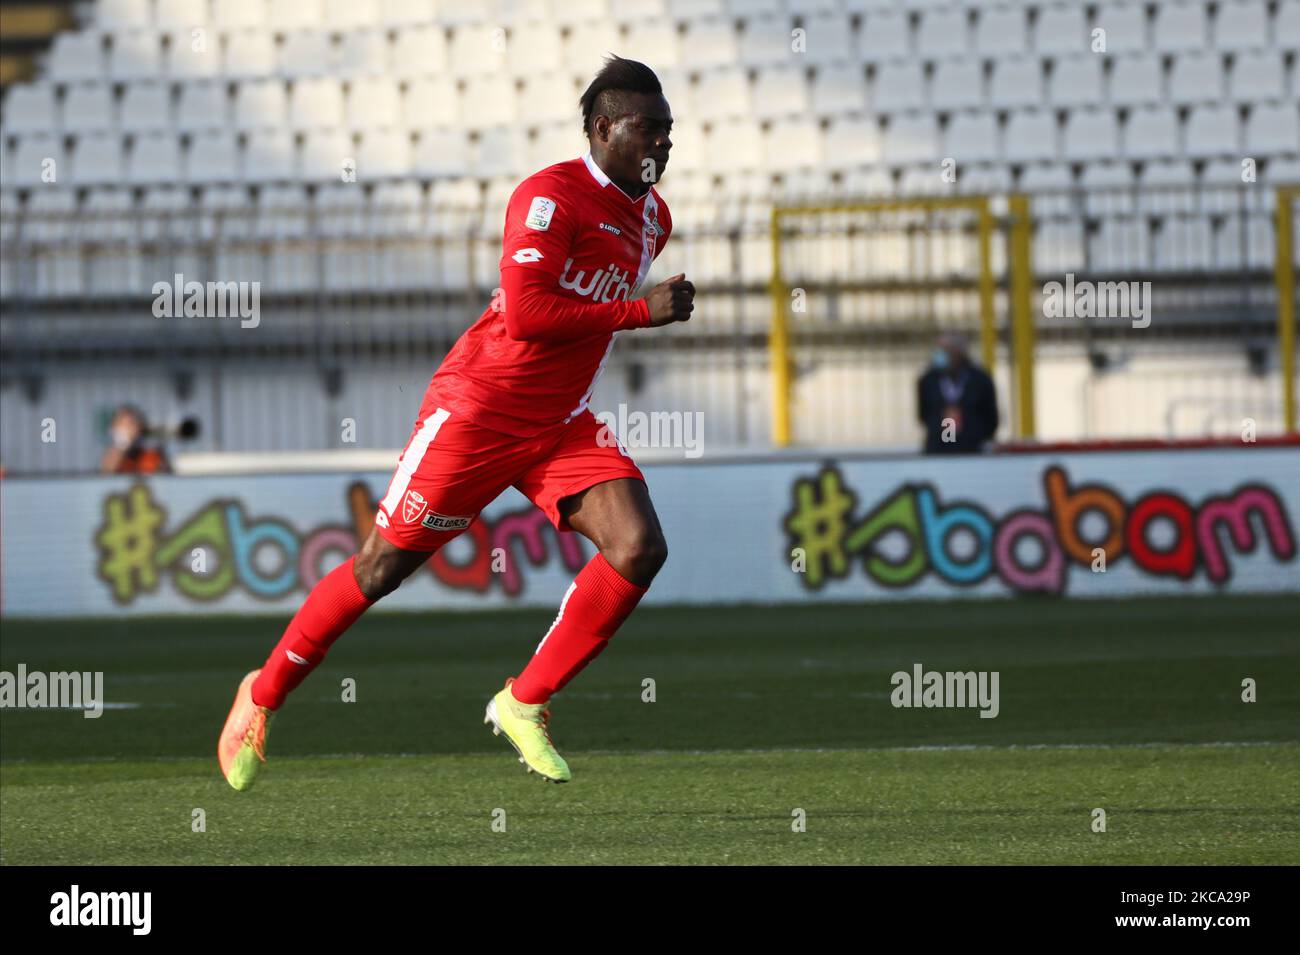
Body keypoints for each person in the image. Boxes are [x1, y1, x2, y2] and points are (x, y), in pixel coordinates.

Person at [219, 56, 694, 789]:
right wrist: (641, 312)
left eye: (667, 131)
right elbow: (531, 315)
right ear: (602, 129)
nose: (661, 144)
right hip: (478, 411)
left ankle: (524, 700)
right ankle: (264, 692)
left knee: (639, 546)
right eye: (646, 129)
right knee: (382, 567)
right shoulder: (548, 196)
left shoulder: (652, 219)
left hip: (559, 422)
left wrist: (629, 316)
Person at [917, 334, 998, 454]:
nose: (940, 355)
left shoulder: (980, 379)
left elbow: (991, 418)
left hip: (972, 449)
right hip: (937, 449)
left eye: (945, 350)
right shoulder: (928, 380)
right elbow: (923, 414)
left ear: (958, 352)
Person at [99, 405, 171, 474]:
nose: (126, 430)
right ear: (114, 428)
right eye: (122, 424)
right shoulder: (111, 454)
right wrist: (122, 443)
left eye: (130, 424)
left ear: (139, 427)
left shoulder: (151, 452)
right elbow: (106, 472)